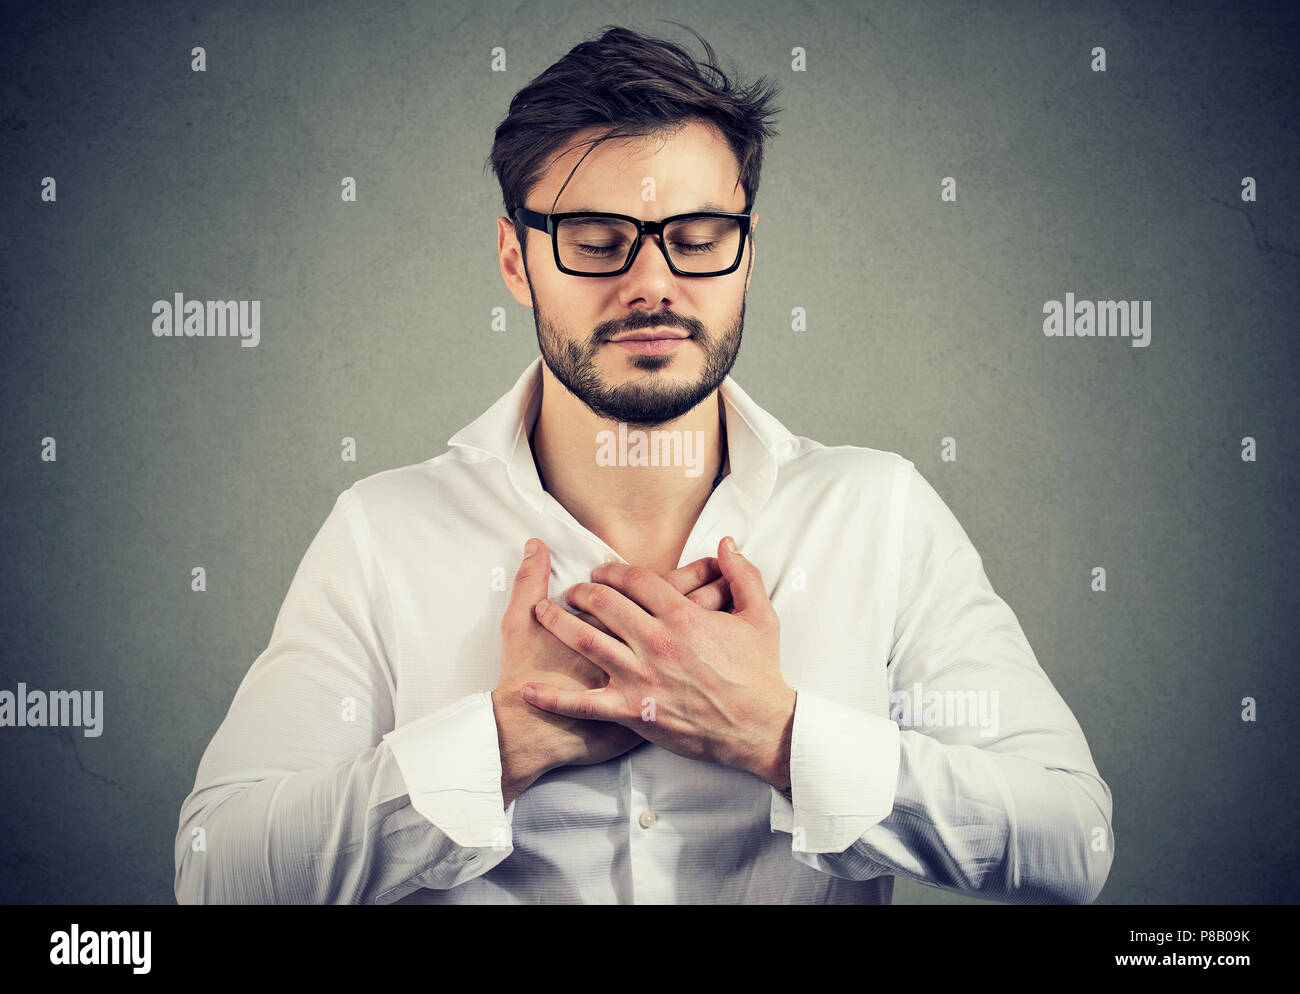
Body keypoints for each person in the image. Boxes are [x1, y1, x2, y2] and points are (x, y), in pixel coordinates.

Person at [174, 23, 1113, 904]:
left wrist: (780, 737)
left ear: (746, 256)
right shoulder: (384, 532)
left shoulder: (880, 513)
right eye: (596, 243)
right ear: (515, 259)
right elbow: (215, 869)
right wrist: (499, 744)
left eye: (699, 240)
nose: (654, 283)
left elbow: (1074, 840)